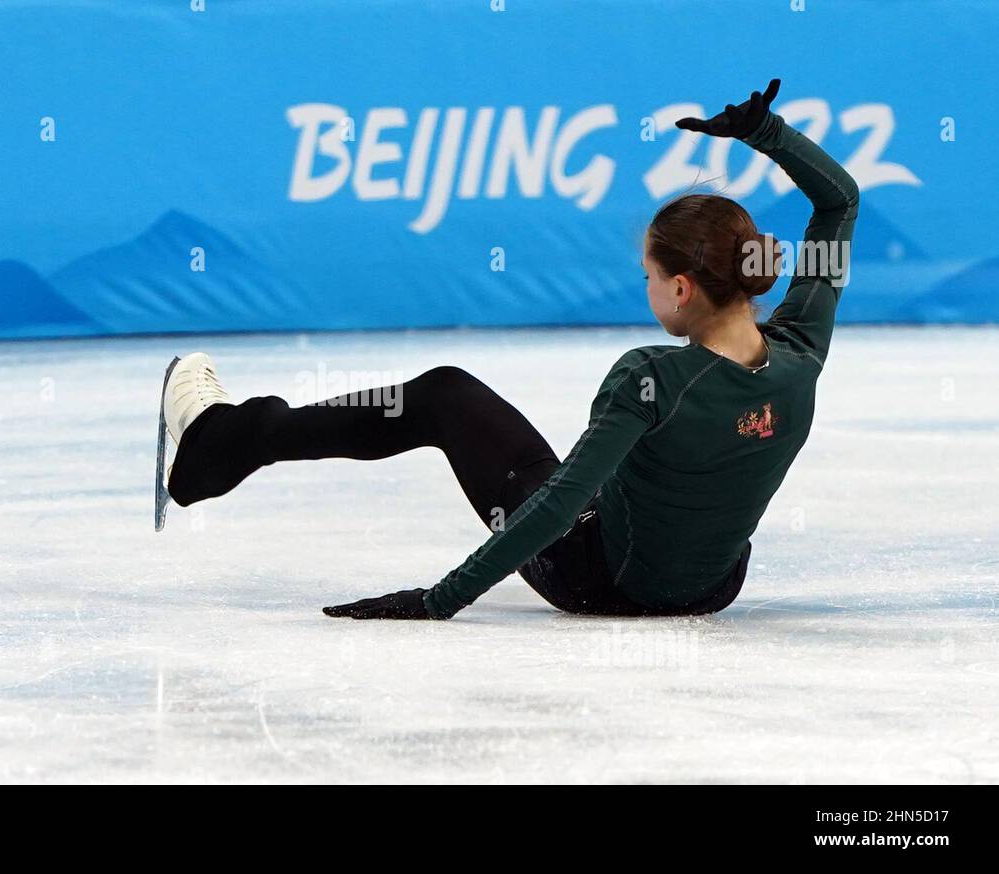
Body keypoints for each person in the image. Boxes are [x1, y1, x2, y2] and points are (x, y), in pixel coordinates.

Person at [156, 79, 858, 621]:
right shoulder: (801, 350)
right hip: (712, 590)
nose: (643, 287)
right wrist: (768, 133)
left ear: (680, 288)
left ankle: (228, 438)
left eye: (646, 276)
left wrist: (438, 600)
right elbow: (839, 205)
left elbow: (557, 508)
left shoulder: (651, 377)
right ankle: (230, 441)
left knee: (443, 395)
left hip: (598, 583)